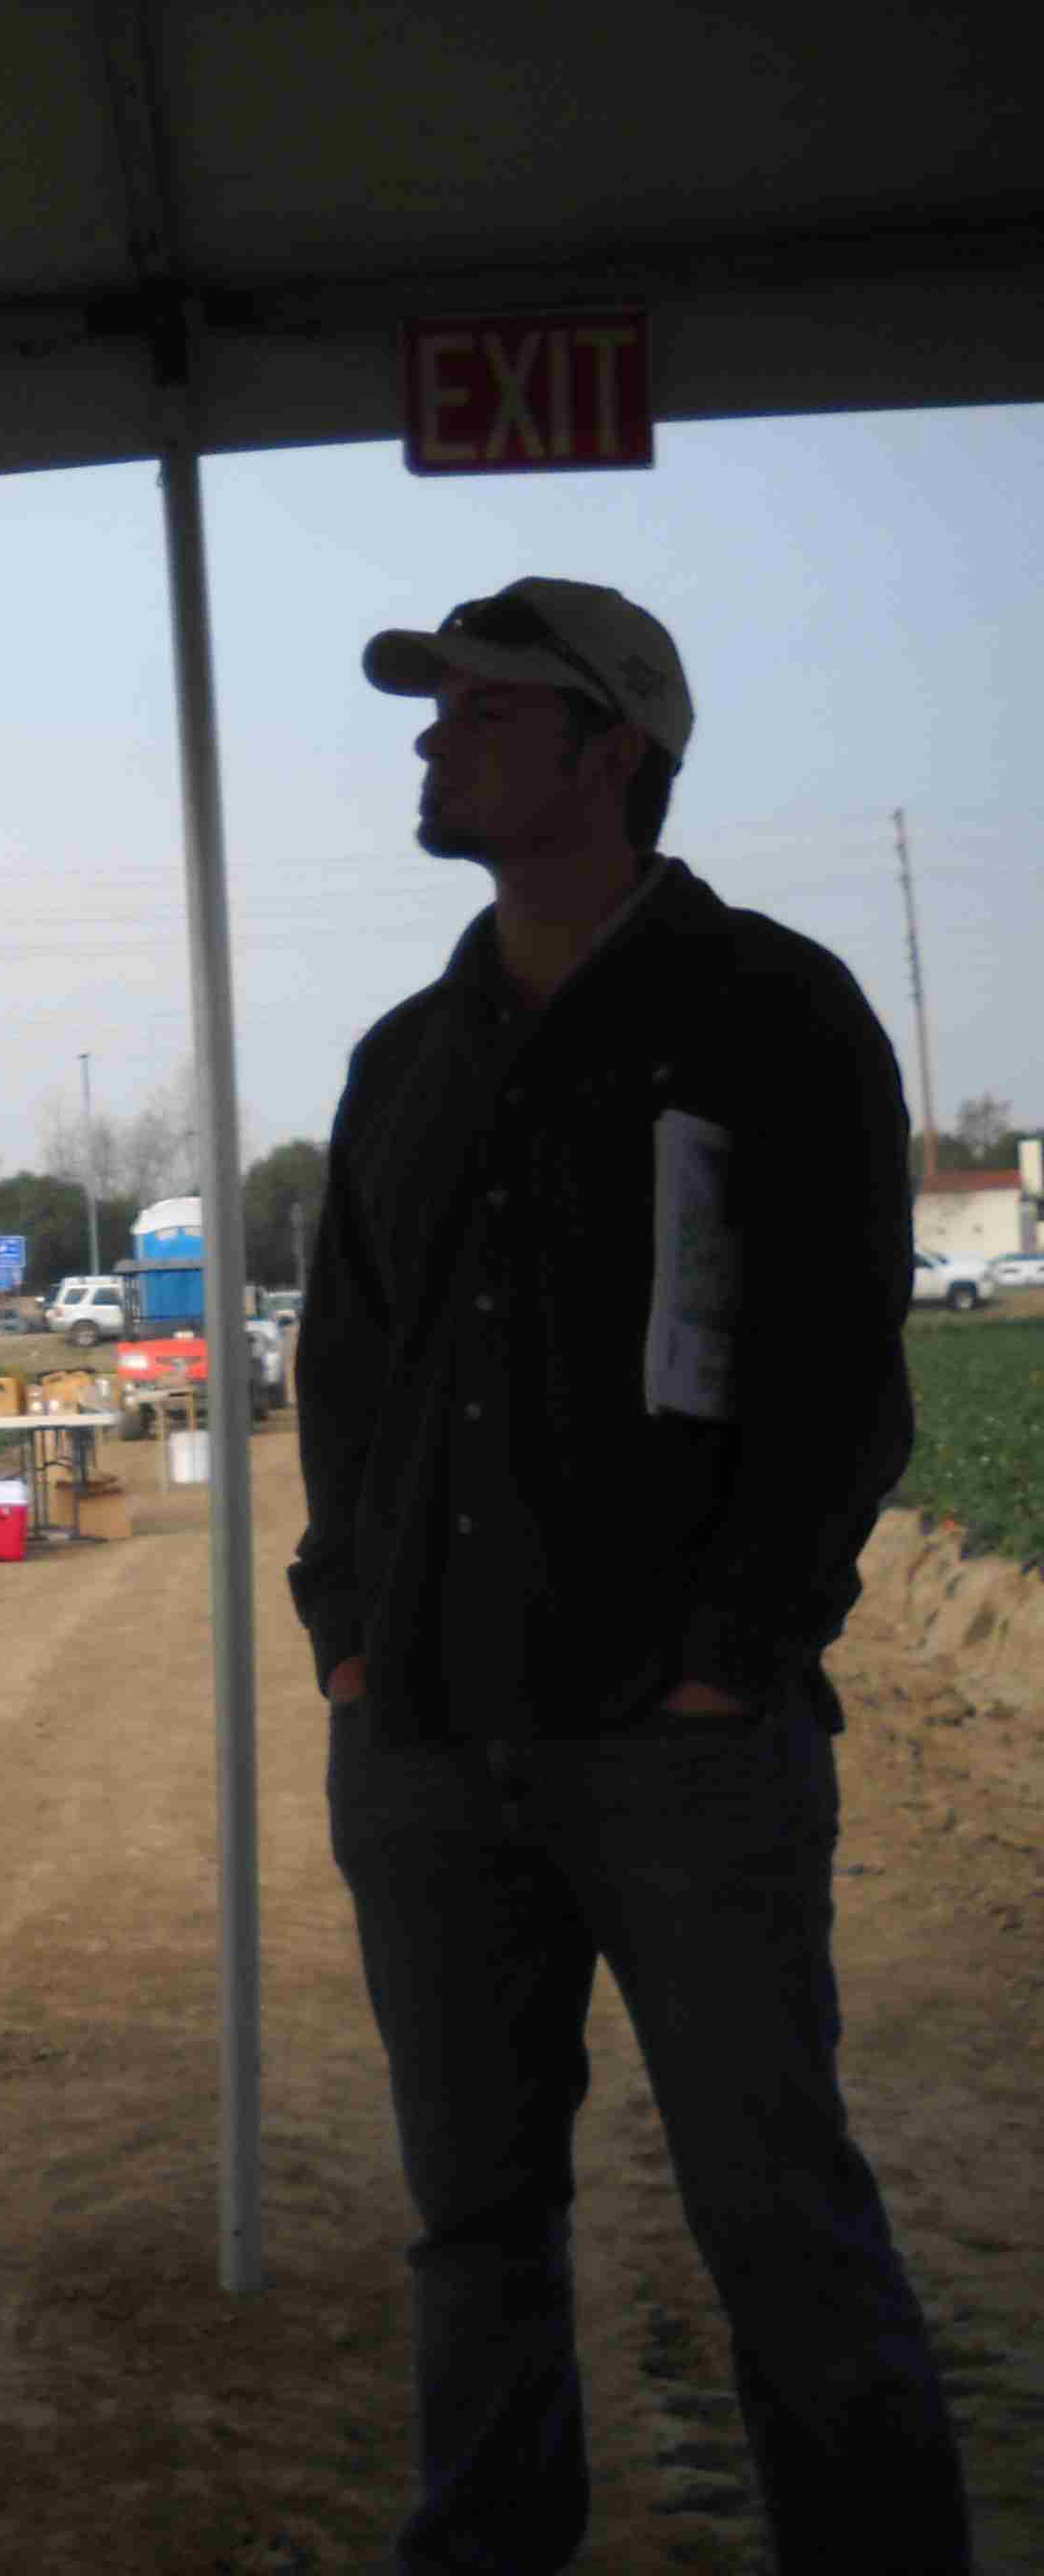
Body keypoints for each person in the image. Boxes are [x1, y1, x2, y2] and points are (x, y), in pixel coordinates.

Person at [292, 578, 971, 2572]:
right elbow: (342, 1376)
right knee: (476, 2226)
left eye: (481, 714)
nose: (433, 745)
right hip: (424, 1741)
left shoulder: (767, 1010)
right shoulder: (407, 1056)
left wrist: (729, 1656)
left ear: (612, 753)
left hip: (678, 1746)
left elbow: (844, 1365)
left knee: (774, 2205)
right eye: (436, 715)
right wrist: (349, 1643)